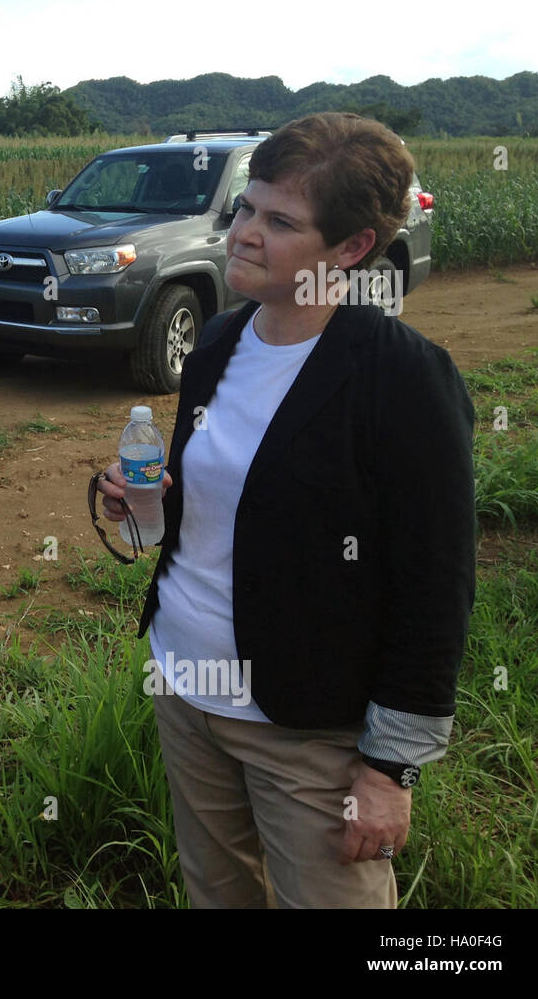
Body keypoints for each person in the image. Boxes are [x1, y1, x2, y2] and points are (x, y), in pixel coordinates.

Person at [98, 112, 475, 909]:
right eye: (246, 208)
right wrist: (140, 498)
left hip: (308, 726)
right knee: (218, 893)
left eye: (279, 221)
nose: (244, 234)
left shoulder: (401, 380)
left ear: (351, 249)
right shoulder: (217, 347)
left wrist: (389, 768)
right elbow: (210, 501)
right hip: (185, 684)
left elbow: (435, 588)